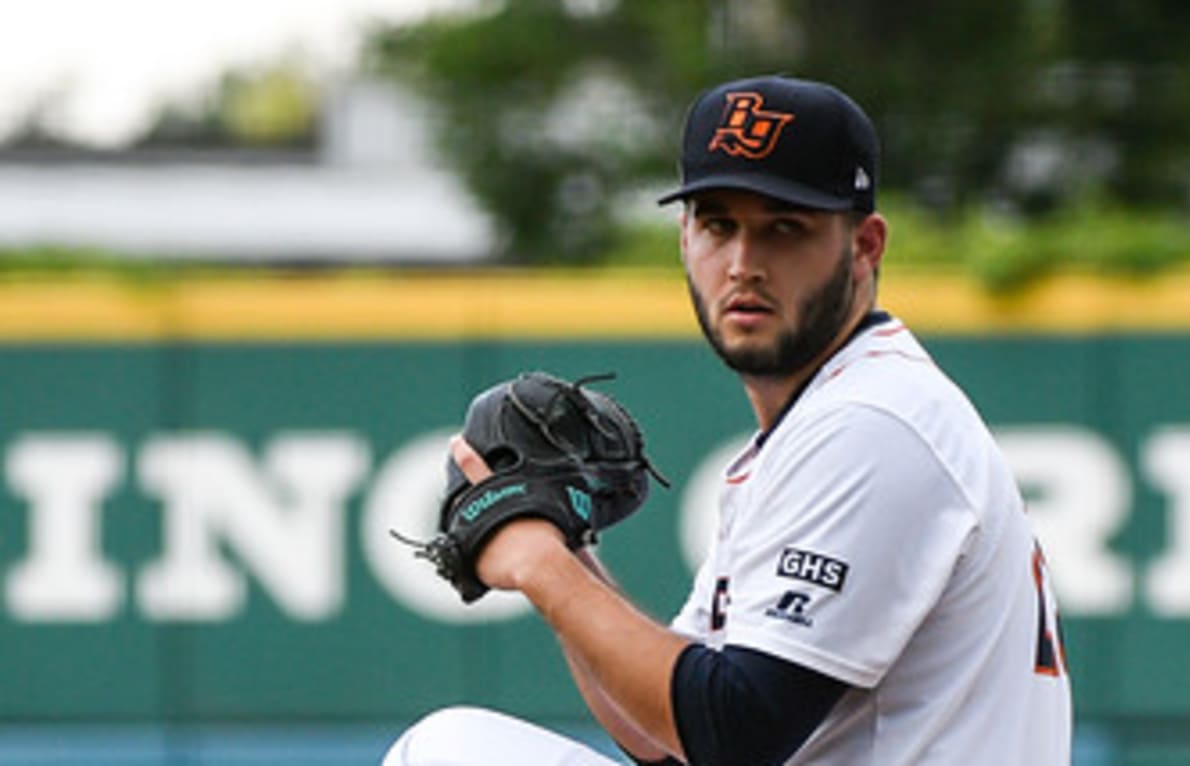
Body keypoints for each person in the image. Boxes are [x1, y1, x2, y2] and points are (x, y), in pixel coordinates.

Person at [383, 74, 1073, 765]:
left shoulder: (873, 421)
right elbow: (664, 738)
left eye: (785, 228)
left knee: (448, 750)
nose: (745, 264)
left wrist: (539, 567)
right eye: (719, 224)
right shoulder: (822, 422)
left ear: (865, 245)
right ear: (685, 237)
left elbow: (736, 733)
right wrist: (563, 549)